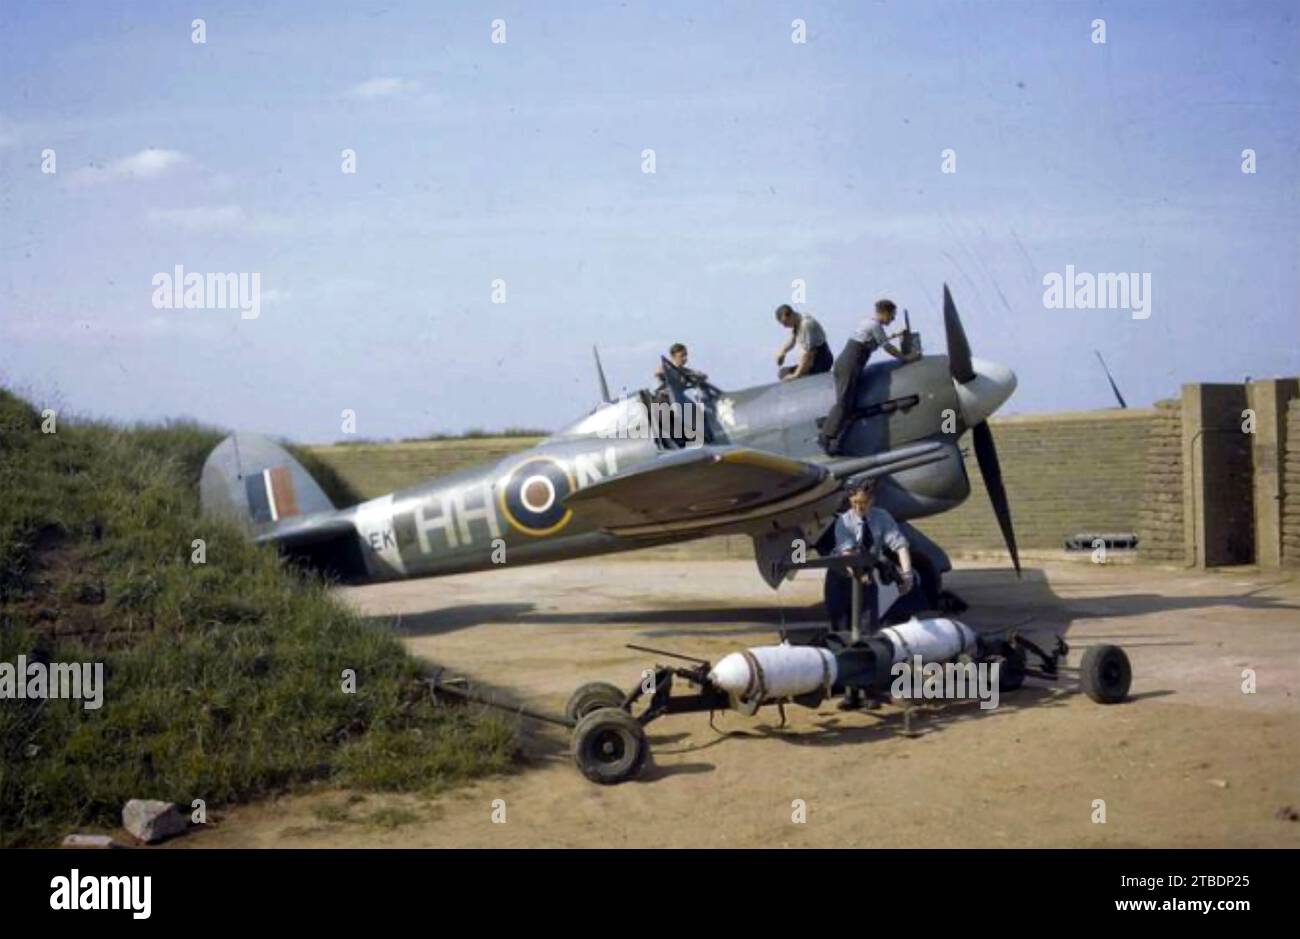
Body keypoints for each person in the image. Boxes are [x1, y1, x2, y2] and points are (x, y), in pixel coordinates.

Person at [825, 479, 918, 709]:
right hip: (842, 578)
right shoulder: (843, 523)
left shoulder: (881, 517)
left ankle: (867, 689)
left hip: (866, 578)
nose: (859, 508)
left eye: (864, 503)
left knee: (868, 631)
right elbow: (848, 555)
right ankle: (848, 690)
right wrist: (858, 574)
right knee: (843, 633)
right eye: (855, 503)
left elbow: (899, 545)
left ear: (872, 501)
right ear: (849, 501)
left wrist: (906, 574)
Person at [819, 299, 919, 455]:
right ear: (885, 313)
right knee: (844, 403)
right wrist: (905, 358)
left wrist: (896, 334)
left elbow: (878, 341)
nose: (892, 319)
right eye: (892, 316)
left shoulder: (868, 323)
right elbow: (886, 346)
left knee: (850, 404)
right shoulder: (874, 325)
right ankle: (825, 437)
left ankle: (835, 440)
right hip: (850, 366)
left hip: (848, 364)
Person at [774, 304, 833, 380]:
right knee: (782, 373)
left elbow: (809, 354)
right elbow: (792, 341)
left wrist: (796, 375)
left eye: (785, 323)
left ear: (791, 315)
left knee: (788, 376)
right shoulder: (797, 322)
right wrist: (782, 352)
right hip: (811, 361)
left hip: (821, 361)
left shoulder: (806, 324)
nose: (785, 326)